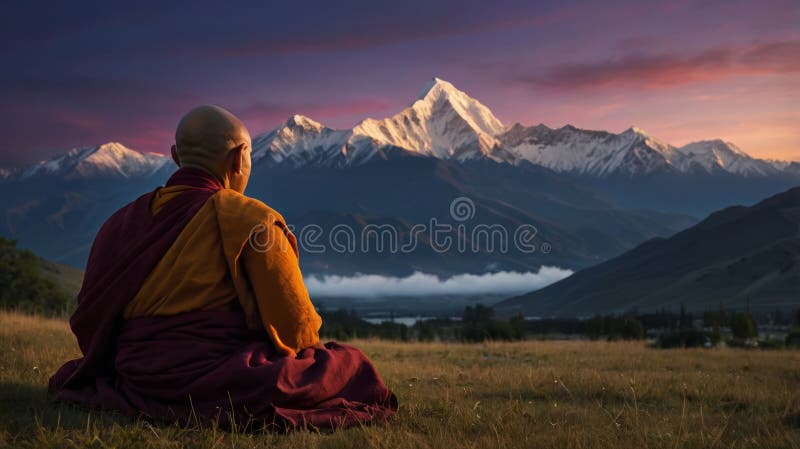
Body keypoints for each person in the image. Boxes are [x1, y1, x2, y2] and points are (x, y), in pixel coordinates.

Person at [49, 105, 397, 430]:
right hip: (222, 381)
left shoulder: (120, 222)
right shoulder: (252, 220)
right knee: (348, 364)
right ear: (237, 158)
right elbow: (297, 332)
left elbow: (91, 322)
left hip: (135, 375)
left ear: (175, 157)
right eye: (248, 156)